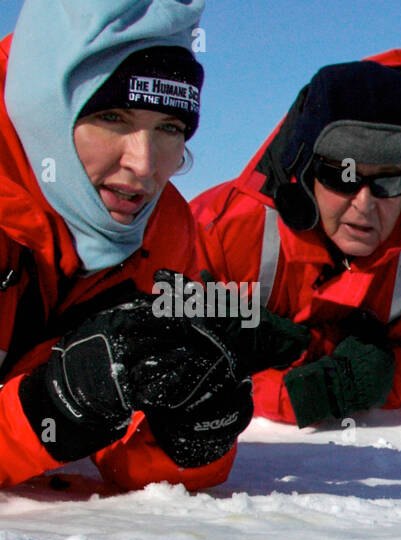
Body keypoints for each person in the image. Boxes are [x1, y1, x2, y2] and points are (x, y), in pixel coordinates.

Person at [0, 0, 255, 491]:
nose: (144, 164)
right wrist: (47, 411)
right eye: (113, 117)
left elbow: (131, 461)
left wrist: (191, 434)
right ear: (46, 111)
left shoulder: (163, 233)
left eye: (170, 128)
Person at [192, 51, 401, 428]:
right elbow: (165, 360)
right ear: (307, 170)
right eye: (343, 177)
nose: (365, 204)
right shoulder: (219, 227)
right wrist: (301, 390)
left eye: (388, 181)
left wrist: (324, 386)